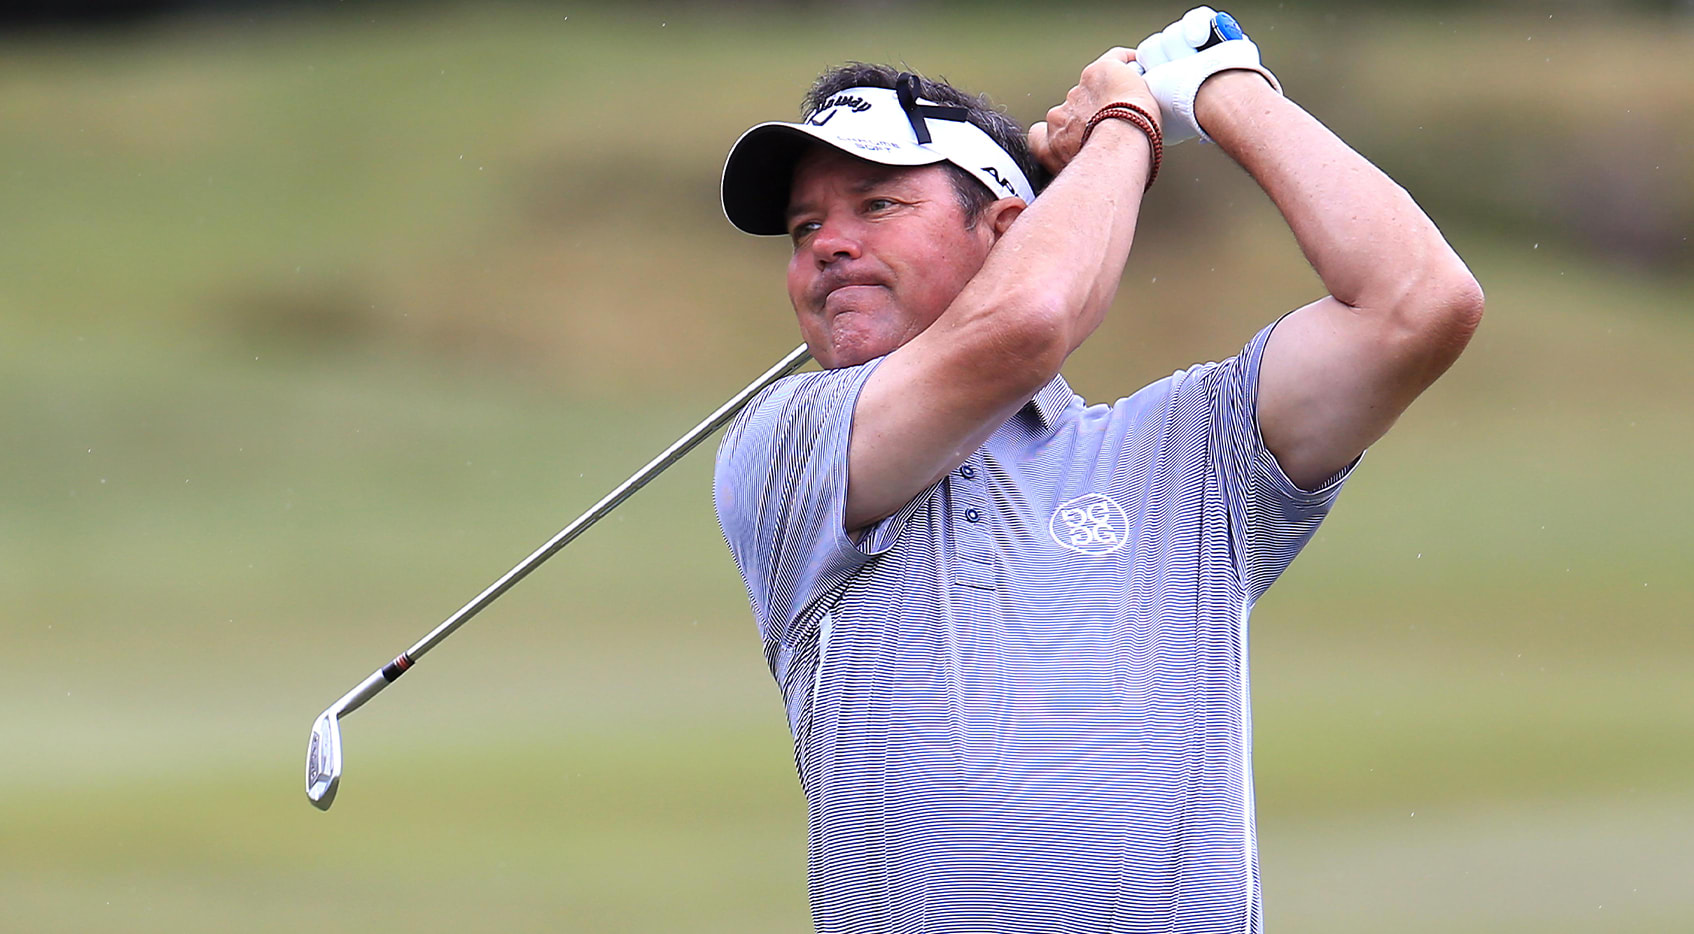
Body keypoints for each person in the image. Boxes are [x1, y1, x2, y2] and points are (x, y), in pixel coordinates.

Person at [712, 7, 1483, 931]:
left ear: (1005, 226)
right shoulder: (788, 446)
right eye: (804, 228)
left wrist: (1216, 86)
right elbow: (1026, 325)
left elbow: (1422, 305)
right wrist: (1127, 124)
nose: (827, 246)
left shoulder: (1191, 451)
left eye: (878, 206)